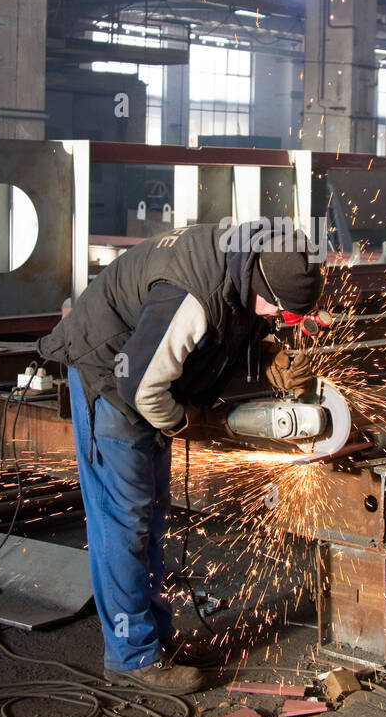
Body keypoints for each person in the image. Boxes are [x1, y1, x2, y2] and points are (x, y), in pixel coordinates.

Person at [39, 220, 323, 693]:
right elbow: (142, 387)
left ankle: (157, 638)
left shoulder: (252, 259)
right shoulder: (190, 297)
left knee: (151, 516)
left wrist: (265, 354)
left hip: (145, 368)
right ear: (261, 282)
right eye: (279, 311)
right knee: (124, 520)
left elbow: (237, 319)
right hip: (111, 376)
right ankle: (132, 656)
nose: (279, 318)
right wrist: (183, 421)